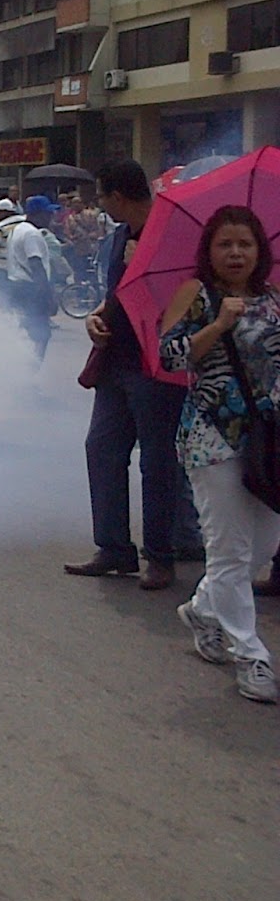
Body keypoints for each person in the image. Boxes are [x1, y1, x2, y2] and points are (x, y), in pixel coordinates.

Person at [159, 205, 280, 704]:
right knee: (229, 551)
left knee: (263, 548)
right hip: (213, 438)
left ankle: (204, 609)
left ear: (259, 251)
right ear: (209, 251)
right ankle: (251, 655)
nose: (235, 253)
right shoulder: (197, 294)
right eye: (225, 244)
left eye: (244, 244)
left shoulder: (273, 299)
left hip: (266, 438)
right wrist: (218, 325)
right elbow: (168, 355)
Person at [66, 161, 199, 590]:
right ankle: (114, 547)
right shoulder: (121, 235)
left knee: (158, 462)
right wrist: (96, 318)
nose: (100, 206)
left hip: (154, 365)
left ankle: (161, 555)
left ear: (117, 196)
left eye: (102, 197)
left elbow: (182, 298)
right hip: (116, 362)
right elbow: (117, 295)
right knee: (102, 449)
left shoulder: (171, 234)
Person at [5, 195, 58, 359]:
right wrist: (49, 296)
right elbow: (36, 265)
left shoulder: (18, 229)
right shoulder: (32, 234)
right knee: (40, 334)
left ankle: (21, 371)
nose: (51, 217)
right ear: (37, 214)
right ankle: (29, 372)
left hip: (17, 286)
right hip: (31, 290)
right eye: (48, 213)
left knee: (25, 333)